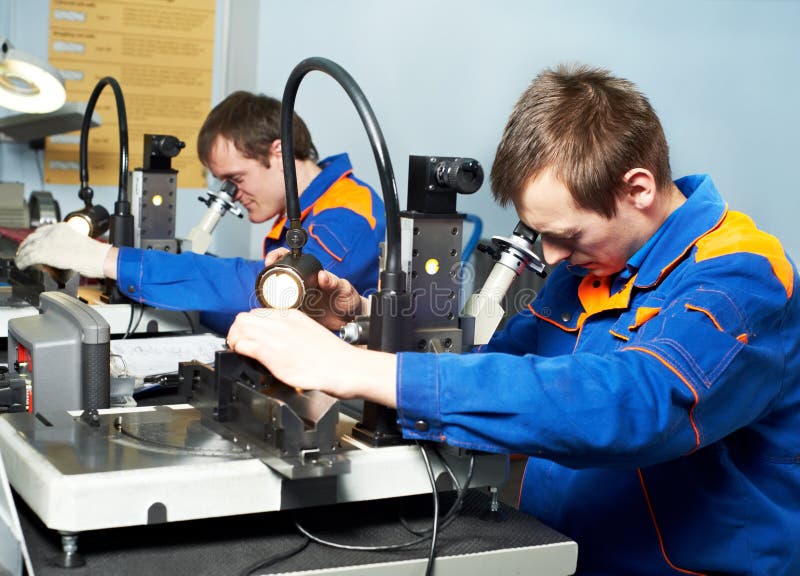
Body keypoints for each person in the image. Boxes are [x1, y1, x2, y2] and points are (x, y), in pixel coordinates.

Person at [225, 65, 800, 574]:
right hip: (559, 548)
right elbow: (499, 371)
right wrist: (358, 320)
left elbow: (636, 404)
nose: (548, 258)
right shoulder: (597, 262)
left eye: (564, 235)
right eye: (539, 234)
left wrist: (355, 369)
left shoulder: (742, 275)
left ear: (638, 188)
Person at [15, 91, 386, 333]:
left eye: (236, 179)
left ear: (278, 153)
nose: (233, 194)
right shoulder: (310, 210)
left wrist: (110, 260)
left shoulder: (347, 214)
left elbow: (270, 295)